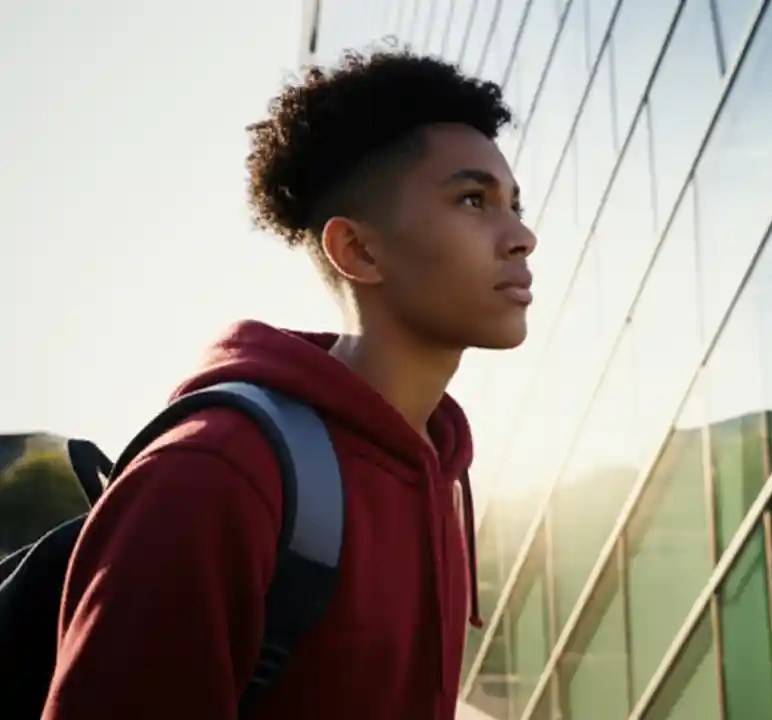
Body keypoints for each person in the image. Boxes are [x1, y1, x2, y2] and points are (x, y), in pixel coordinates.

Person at [41, 49, 535, 719]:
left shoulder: (439, 472)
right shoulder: (215, 473)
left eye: (515, 204)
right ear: (358, 250)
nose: (522, 236)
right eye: (474, 200)